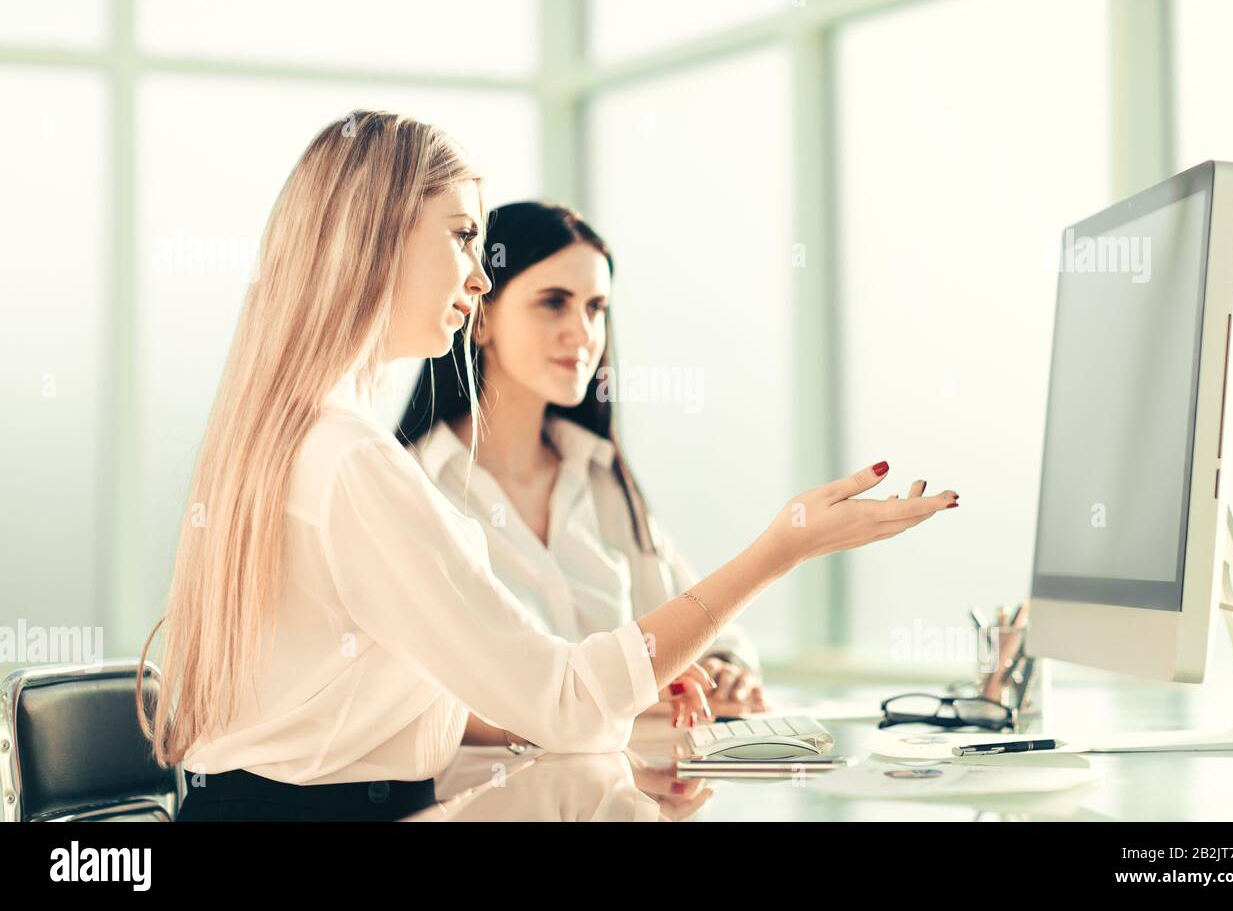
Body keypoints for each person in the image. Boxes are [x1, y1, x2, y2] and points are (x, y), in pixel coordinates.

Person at [137, 109, 958, 821]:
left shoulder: (300, 441)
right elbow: (562, 700)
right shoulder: (357, 464)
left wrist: (627, 688)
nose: (477, 272)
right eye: (463, 236)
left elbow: (363, 703)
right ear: (374, 236)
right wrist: (785, 546)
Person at [396, 202, 762, 729]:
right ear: (479, 317)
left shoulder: (600, 474)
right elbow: (421, 699)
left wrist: (725, 668)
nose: (583, 332)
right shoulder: (416, 483)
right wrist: (620, 699)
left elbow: (704, 620)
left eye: (595, 308)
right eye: (553, 303)